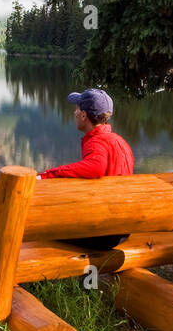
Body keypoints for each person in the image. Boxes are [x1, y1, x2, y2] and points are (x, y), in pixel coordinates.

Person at [37, 88, 134, 250]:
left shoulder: (97, 141)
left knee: (40, 228)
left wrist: (50, 174)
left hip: (105, 233)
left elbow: (95, 167)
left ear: (83, 115)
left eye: (76, 109)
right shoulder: (118, 140)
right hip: (123, 228)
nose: (74, 112)